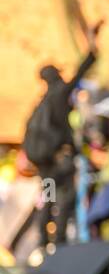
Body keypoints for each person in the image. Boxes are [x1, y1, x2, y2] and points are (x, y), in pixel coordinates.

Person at [24, 24, 100, 248]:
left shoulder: (43, 102)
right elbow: (80, 74)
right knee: (65, 198)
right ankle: (59, 241)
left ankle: (42, 240)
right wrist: (92, 48)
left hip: (46, 165)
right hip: (59, 162)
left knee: (48, 198)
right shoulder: (59, 95)